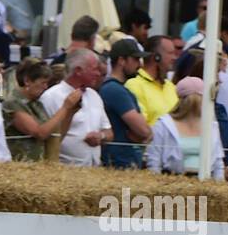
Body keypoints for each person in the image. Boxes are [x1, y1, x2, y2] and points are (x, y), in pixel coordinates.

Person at [40, 49, 111, 166]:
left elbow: (109, 132)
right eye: (94, 69)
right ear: (78, 71)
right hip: (64, 169)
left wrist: (101, 136)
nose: (98, 74)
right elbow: (44, 136)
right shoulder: (50, 97)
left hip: (94, 170)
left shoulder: (94, 96)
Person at [146, 77, 225, 178]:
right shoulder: (163, 125)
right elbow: (154, 163)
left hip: (206, 184)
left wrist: (218, 188)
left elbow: (218, 163)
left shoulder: (212, 126)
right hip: (171, 183)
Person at [100, 39, 153, 169]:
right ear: (121, 61)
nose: (139, 65)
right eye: (135, 59)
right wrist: (142, 134)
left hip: (123, 164)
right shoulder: (115, 90)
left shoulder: (118, 89)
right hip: (120, 166)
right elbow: (144, 131)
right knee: (125, 190)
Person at [127, 35, 179, 126]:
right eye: (171, 53)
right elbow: (141, 126)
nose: (175, 58)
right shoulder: (135, 85)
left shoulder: (171, 86)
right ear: (156, 57)